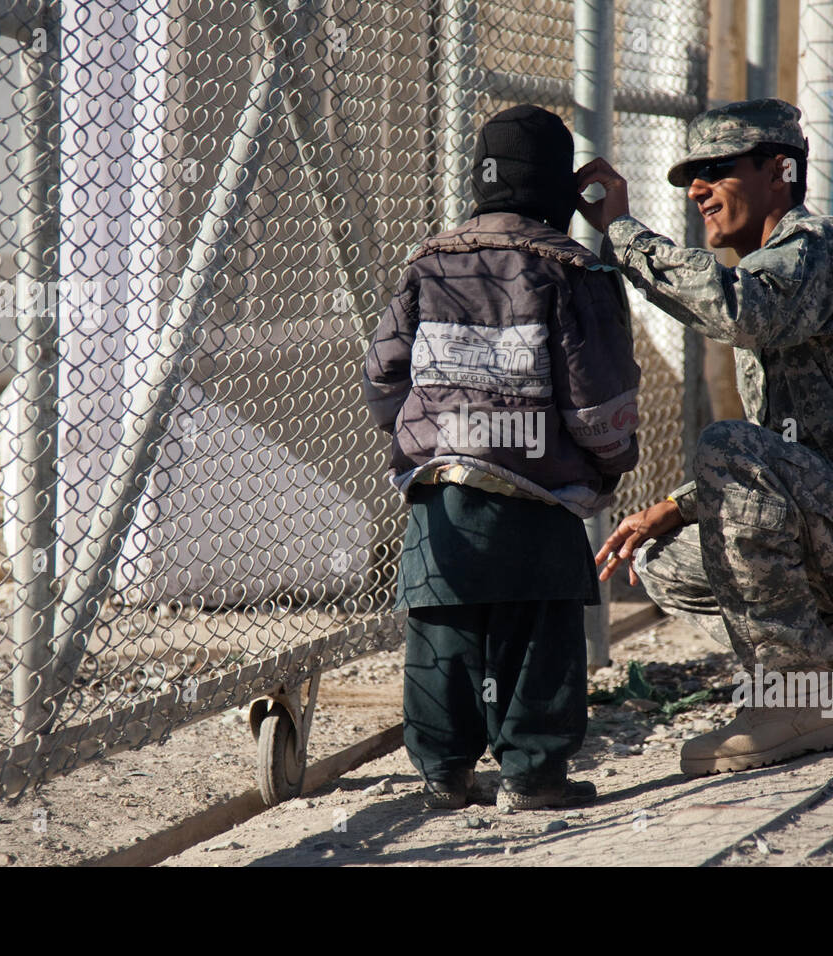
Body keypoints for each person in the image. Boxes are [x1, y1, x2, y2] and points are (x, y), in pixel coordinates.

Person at [579, 98, 833, 776]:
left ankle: (797, 696)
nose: (697, 189)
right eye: (689, 177)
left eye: (716, 169)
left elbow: (737, 309)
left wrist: (622, 232)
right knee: (664, 557)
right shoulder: (779, 270)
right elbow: (783, 454)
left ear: (780, 171)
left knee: (725, 447)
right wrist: (673, 506)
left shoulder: (823, 247)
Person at [364, 104, 641, 810]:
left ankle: (442, 772)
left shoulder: (427, 261)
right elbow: (595, 396)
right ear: (560, 188)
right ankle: (533, 773)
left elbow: (383, 374)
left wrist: (426, 437)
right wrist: (609, 459)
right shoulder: (572, 269)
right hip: (539, 491)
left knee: (443, 632)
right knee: (539, 632)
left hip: (443, 491)